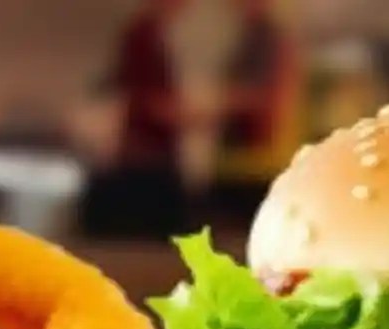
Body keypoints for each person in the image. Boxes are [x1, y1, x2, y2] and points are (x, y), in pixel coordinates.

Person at [82, 0, 191, 239]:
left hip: (145, 154)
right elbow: (152, 105)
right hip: (148, 158)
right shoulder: (143, 39)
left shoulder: (147, 37)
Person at [213, 0, 296, 221]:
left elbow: (263, 96)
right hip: (242, 153)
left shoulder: (267, 38)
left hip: (255, 154)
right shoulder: (251, 36)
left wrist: (218, 104)